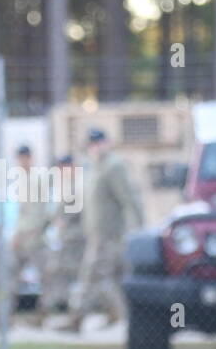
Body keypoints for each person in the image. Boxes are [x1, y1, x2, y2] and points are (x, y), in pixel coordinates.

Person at [62, 128, 143, 331]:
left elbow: (129, 198)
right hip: (95, 235)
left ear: (106, 143)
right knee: (108, 279)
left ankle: (76, 320)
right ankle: (119, 315)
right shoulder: (93, 168)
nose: (94, 148)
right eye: (91, 144)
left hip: (108, 235)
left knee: (90, 276)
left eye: (98, 143)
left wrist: (138, 229)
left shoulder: (113, 167)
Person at [40, 154, 85, 320]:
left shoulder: (80, 185)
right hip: (65, 239)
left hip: (76, 239)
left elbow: (79, 212)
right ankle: (47, 310)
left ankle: (48, 311)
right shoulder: (63, 186)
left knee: (83, 275)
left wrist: (64, 220)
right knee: (58, 272)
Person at [10, 145, 51, 326]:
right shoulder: (21, 180)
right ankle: (7, 314)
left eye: (25, 158)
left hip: (35, 235)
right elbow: (22, 211)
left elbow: (40, 209)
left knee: (44, 275)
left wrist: (36, 230)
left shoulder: (39, 179)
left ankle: (42, 314)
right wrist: (17, 233)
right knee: (11, 273)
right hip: (23, 234)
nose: (22, 162)